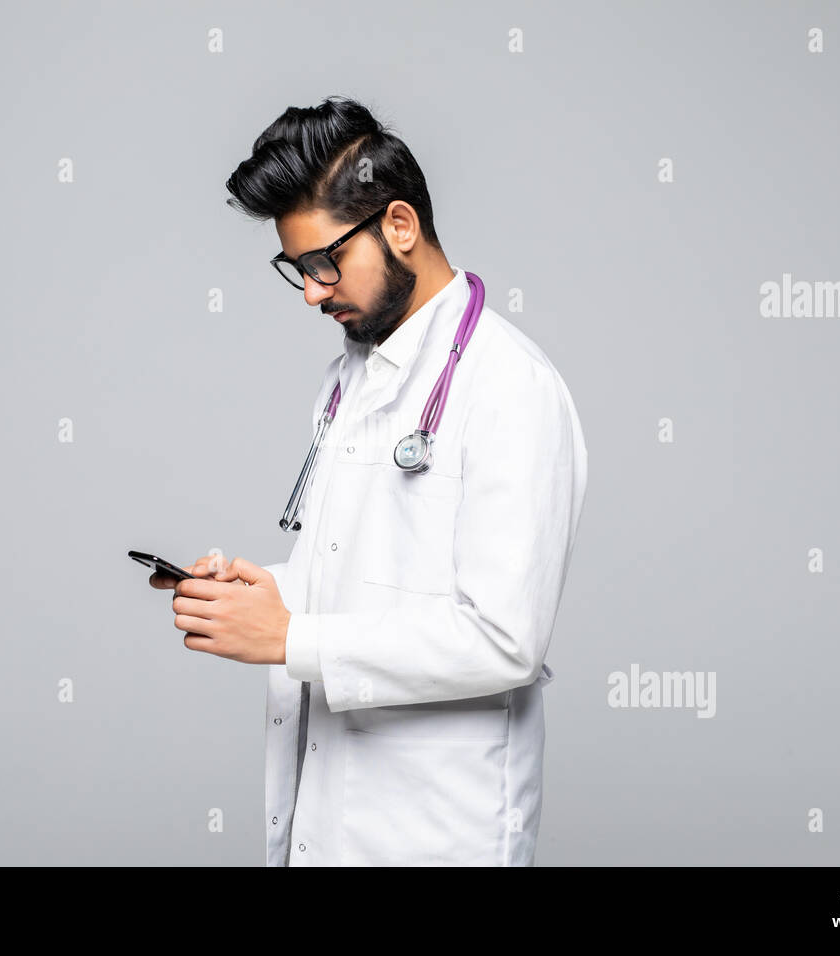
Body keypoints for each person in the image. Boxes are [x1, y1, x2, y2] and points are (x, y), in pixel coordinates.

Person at [148, 96, 587, 866]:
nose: (314, 291)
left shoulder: (509, 386)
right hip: (331, 811)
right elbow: (369, 575)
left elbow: (504, 639)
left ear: (400, 227)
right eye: (298, 270)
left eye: (324, 263)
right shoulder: (350, 375)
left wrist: (292, 637)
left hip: (438, 830)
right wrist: (269, 595)